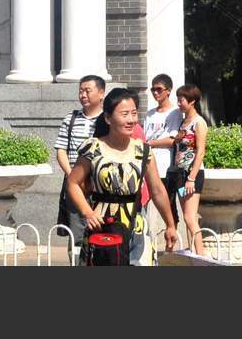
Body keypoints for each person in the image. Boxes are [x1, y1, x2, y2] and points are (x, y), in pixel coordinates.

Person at [65, 87, 177, 265]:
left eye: (134, 113)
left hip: (136, 227)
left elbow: (157, 191)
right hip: (102, 227)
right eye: (125, 114)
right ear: (108, 118)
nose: (131, 119)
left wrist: (170, 225)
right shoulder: (92, 148)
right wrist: (87, 212)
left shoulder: (143, 150)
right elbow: (72, 183)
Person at [53, 74, 105, 243]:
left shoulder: (108, 120)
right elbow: (61, 150)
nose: (83, 95)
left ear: (101, 93)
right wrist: (72, 176)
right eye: (81, 91)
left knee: (101, 232)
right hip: (76, 186)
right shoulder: (71, 118)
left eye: (87, 91)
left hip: (101, 186)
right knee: (77, 235)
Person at [138, 74, 183, 263]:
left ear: (168, 91)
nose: (155, 92)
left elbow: (173, 139)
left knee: (168, 206)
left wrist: (151, 143)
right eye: (153, 89)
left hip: (165, 167)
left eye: (159, 89)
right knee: (147, 208)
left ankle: (170, 248)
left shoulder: (174, 113)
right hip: (147, 165)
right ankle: (150, 248)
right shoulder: (149, 114)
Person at [167, 83, 208, 250]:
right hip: (180, 174)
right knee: (186, 216)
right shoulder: (184, 121)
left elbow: (200, 152)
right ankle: (193, 251)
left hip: (192, 175)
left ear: (192, 101)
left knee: (190, 216)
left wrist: (191, 178)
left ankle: (201, 253)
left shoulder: (199, 122)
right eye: (177, 99)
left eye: (181, 100)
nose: (178, 103)